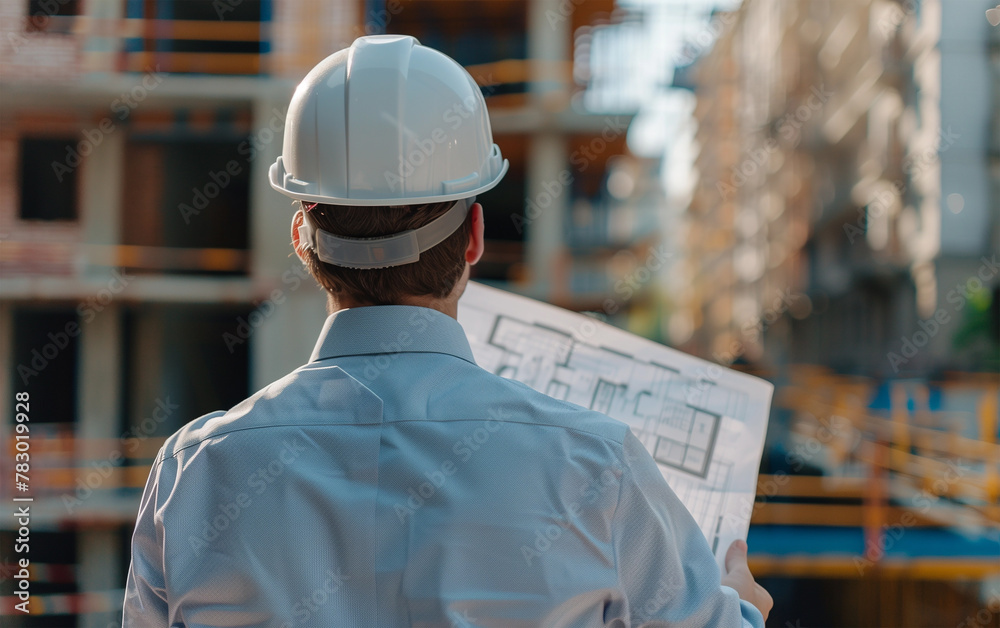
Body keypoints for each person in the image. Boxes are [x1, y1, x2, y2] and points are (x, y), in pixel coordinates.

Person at [123, 34, 772, 627]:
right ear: (475, 239)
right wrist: (741, 603)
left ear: (303, 242)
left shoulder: (194, 473)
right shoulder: (596, 465)